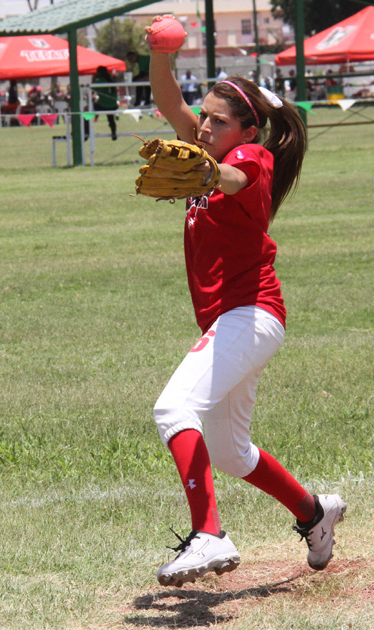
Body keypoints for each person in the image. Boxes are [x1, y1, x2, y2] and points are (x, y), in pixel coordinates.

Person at [145, 26, 347, 587]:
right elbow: (169, 102)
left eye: (218, 120)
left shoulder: (249, 156)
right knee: (232, 453)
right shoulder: (205, 146)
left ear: (248, 130)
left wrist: (210, 171)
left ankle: (209, 533)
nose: (204, 127)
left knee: (172, 409)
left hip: (251, 313)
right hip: (233, 319)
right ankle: (314, 511)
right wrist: (160, 54)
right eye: (204, 117)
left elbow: (235, 178)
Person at [91, 65, 119, 140]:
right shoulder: (111, 80)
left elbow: (92, 89)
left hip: (102, 105)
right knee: (111, 119)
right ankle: (113, 133)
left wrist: (93, 78)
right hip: (113, 105)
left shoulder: (99, 81)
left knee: (93, 105)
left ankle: (95, 117)